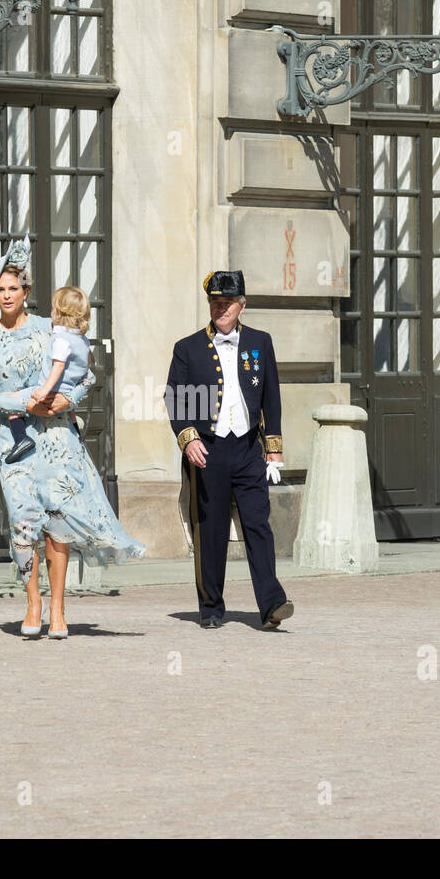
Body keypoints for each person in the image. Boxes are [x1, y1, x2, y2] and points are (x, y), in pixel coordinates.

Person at [0, 239, 145, 639]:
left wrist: (67, 397)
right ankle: (32, 603)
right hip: (13, 439)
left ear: (25, 291)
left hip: (57, 436)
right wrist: (23, 402)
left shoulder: (53, 328)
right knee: (23, 522)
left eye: (14, 288)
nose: (7, 295)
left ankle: (59, 609)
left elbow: (86, 373)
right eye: (0, 289)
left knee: (57, 522)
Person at [165, 269, 294, 630]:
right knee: (211, 529)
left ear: (242, 305)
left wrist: (274, 447)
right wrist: (188, 438)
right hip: (208, 449)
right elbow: (175, 398)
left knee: (258, 524)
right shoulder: (187, 347)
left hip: (249, 446)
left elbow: (272, 395)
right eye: (215, 302)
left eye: (227, 303)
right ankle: (210, 607)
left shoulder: (260, 341)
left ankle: (272, 605)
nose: (220, 309)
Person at [5, 285, 93, 463]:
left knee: (11, 400)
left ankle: (21, 438)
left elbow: (58, 367)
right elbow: (88, 365)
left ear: (59, 313)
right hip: (67, 395)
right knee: (72, 413)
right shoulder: (82, 340)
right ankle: (77, 436)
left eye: (54, 309)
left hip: (50, 393)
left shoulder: (61, 339)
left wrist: (44, 390)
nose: (51, 312)